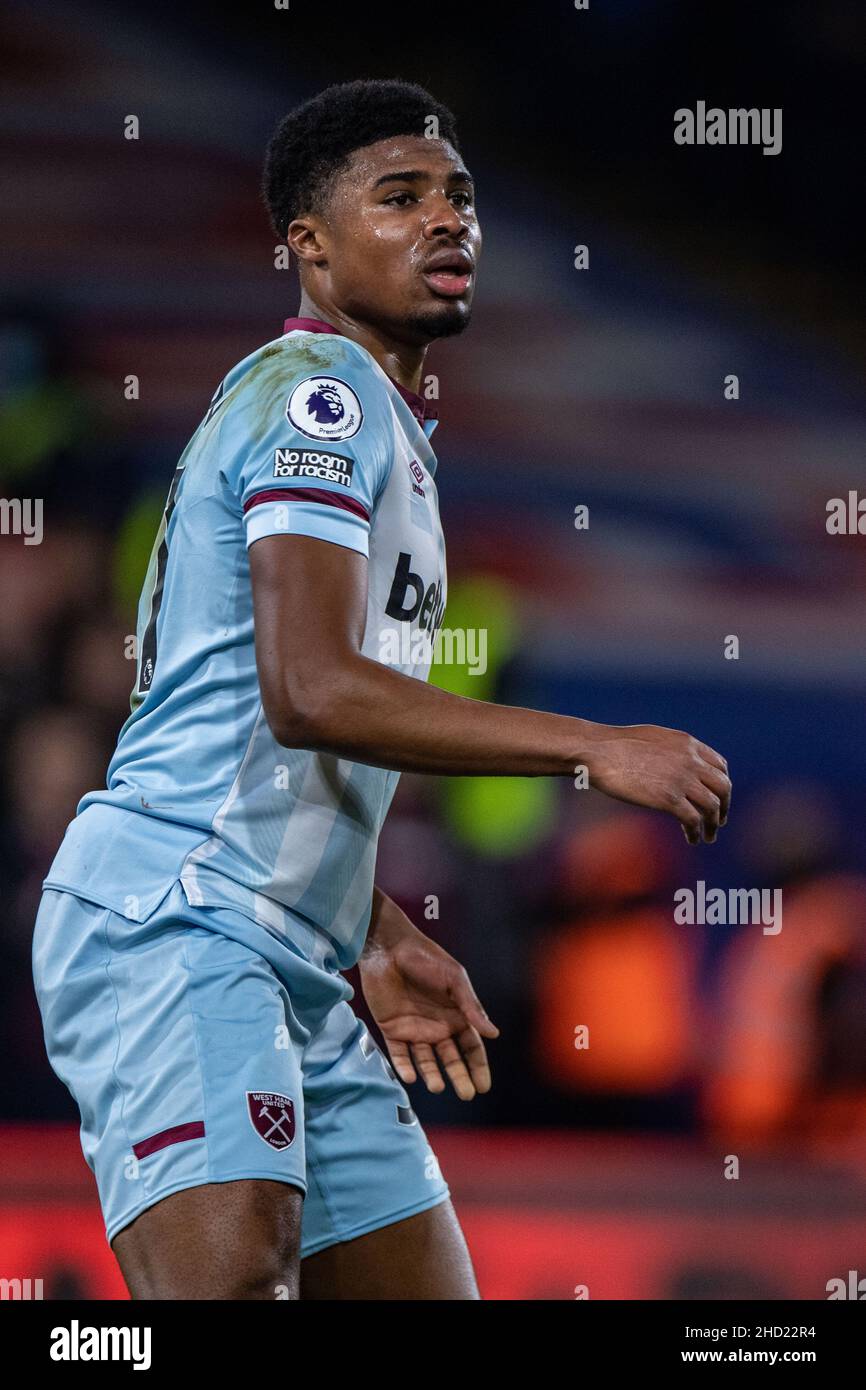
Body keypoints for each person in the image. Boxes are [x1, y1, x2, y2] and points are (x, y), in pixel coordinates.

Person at [32, 78, 731, 1300]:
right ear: (306, 242)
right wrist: (589, 747)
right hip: (178, 923)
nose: (445, 220)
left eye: (457, 196)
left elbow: (267, 729)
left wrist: (370, 926)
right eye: (397, 198)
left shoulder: (380, 429)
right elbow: (310, 689)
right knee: (232, 1285)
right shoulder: (321, 396)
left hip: (294, 950)